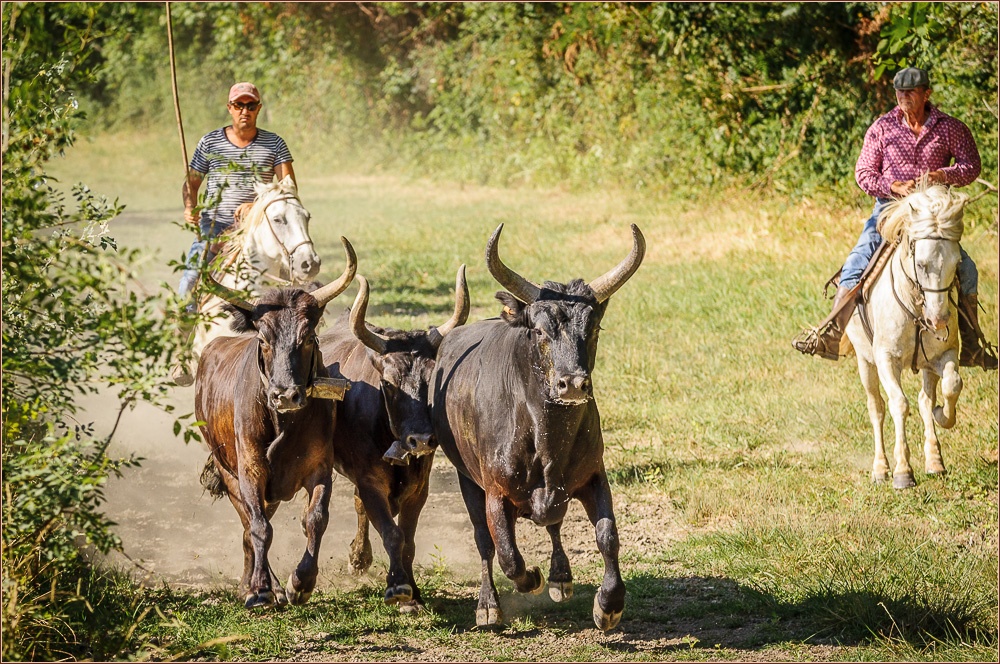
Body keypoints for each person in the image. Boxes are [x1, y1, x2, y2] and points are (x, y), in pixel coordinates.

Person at [793, 67, 996, 370]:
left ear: (926, 93)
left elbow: (971, 165)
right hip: (889, 210)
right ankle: (831, 334)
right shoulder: (882, 127)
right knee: (855, 264)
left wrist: (944, 174)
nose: (903, 97)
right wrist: (892, 186)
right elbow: (863, 173)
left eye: (910, 92)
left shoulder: (950, 128)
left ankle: (971, 345)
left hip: (931, 215)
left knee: (966, 270)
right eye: (899, 92)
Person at [177, 81, 296, 303]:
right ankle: (182, 333)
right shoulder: (210, 142)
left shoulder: (275, 144)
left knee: (297, 280)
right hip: (214, 227)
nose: (245, 111)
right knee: (189, 283)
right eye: (239, 105)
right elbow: (190, 184)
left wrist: (257, 206)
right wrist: (189, 206)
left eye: (251, 106)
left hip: (260, 230)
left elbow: (288, 189)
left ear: (258, 108)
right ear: (229, 107)